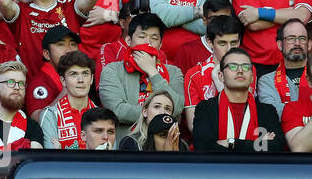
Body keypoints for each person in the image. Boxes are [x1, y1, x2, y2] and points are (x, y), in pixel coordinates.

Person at [98, 13, 186, 145]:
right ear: (128, 41)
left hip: (163, 146)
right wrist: (159, 114)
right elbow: (117, 110)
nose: (148, 43)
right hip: (126, 146)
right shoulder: (112, 70)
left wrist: (152, 72)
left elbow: (177, 107)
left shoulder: (173, 72)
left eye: (154, 38)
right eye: (142, 36)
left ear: (160, 44)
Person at [192, 48, 285, 152]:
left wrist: (231, 143)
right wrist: (257, 145)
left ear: (252, 78)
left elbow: (277, 147)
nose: (240, 71)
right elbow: (204, 148)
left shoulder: (267, 111)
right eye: (233, 66)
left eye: (245, 67)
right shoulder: (206, 108)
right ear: (221, 76)